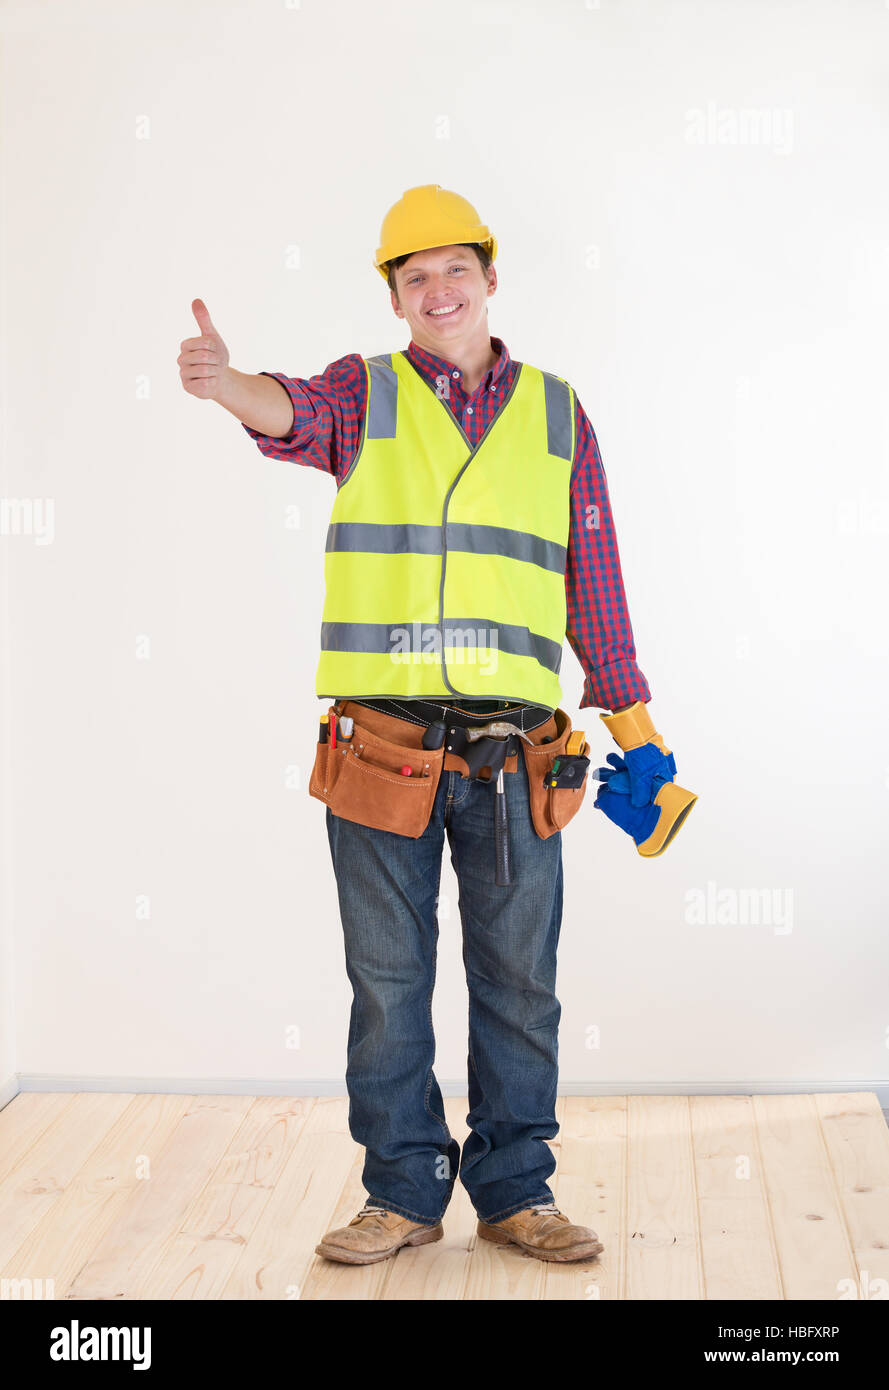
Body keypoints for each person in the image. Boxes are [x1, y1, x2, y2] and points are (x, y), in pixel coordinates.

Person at [178, 184, 696, 1267]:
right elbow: (289, 413)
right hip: (383, 747)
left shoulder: (556, 413)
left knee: (520, 983)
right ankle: (401, 1189)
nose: (438, 289)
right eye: (415, 276)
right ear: (395, 298)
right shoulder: (361, 394)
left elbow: (593, 578)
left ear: (489, 278)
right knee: (387, 982)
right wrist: (228, 386)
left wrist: (635, 724)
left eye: (455, 268)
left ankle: (516, 1190)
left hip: (517, 756)